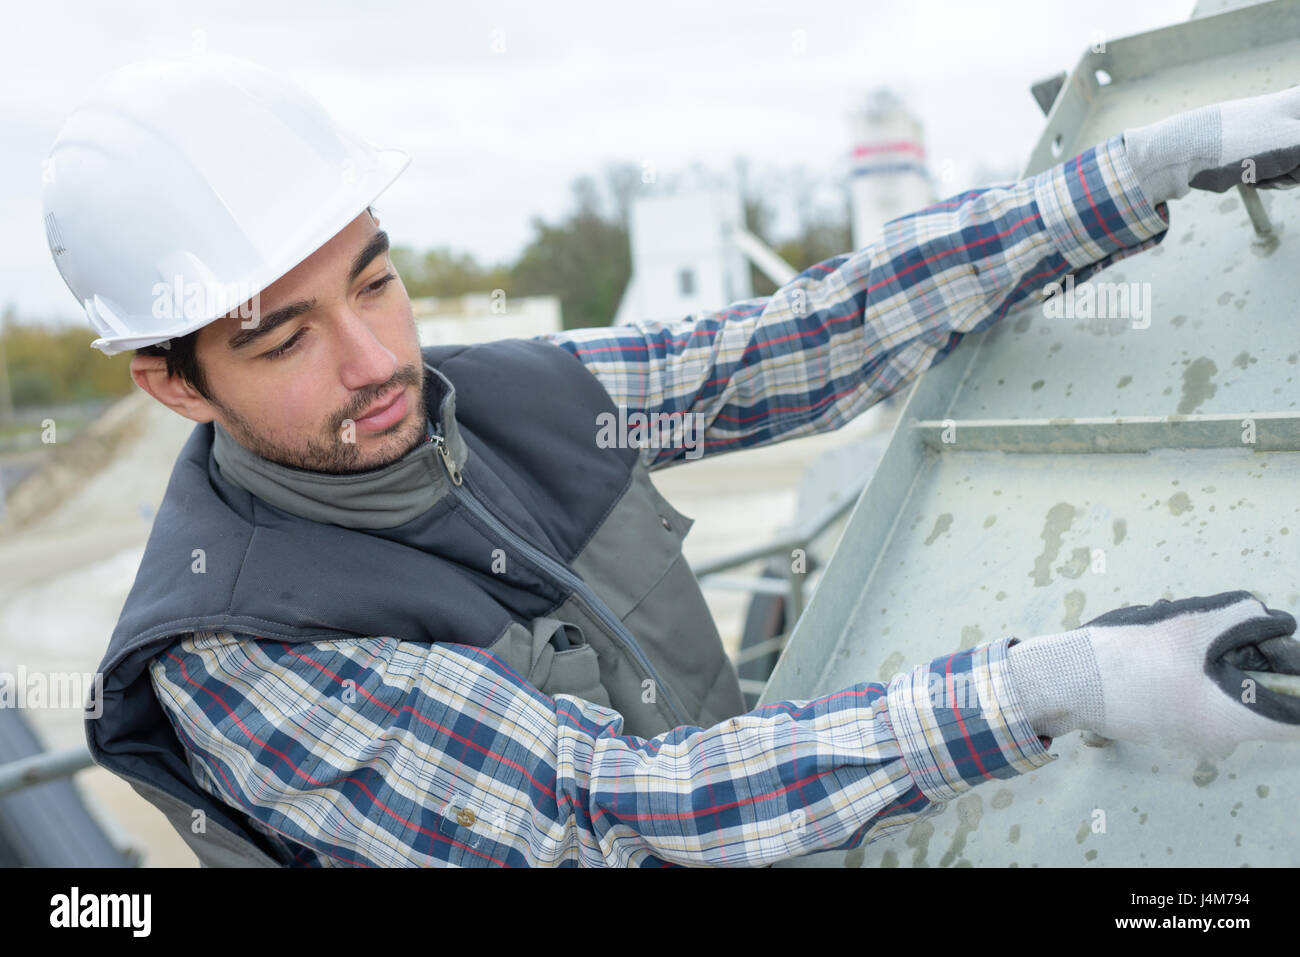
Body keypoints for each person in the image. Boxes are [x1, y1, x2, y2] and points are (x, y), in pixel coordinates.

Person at [43, 54, 1300, 868]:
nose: (376, 362)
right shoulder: (243, 652)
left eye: (376, 280)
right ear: (172, 382)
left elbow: (797, 337)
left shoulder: (504, 402)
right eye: (284, 338)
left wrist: (1128, 178)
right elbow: (618, 809)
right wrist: (1051, 687)